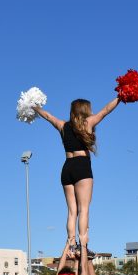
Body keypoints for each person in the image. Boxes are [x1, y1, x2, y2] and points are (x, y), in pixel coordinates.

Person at [32, 95, 122, 256]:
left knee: (72, 211)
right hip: (82, 166)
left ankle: (71, 243)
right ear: (85, 110)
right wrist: (121, 97)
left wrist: (33, 106)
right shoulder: (88, 123)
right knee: (84, 208)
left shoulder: (62, 125)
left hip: (66, 167)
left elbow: (47, 115)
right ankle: (83, 244)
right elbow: (106, 110)